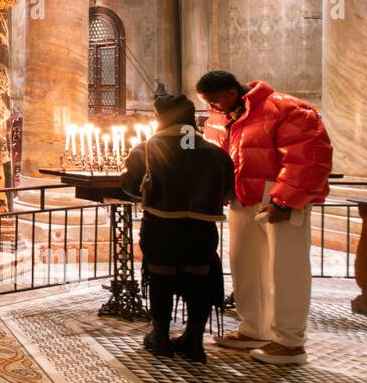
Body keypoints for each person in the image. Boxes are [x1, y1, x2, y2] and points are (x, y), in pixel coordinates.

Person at [195, 70, 333, 365]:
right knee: (245, 265)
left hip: (277, 195)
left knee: (286, 269)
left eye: (215, 101)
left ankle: (289, 341)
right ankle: (254, 329)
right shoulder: (219, 118)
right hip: (242, 196)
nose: (213, 108)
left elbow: (309, 156)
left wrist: (285, 201)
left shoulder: (286, 109)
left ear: (232, 92)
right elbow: (218, 158)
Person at [122, 90, 234, 362]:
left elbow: (128, 186)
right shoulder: (215, 153)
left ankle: (160, 338)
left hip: (161, 228)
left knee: (161, 279)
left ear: (161, 118)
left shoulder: (146, 149)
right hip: (200, 230)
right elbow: (228, 191)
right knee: (197, 281)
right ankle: (194, 341)